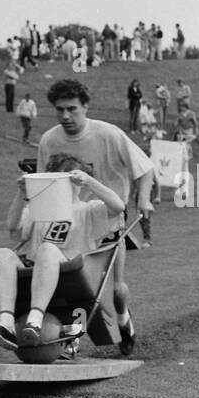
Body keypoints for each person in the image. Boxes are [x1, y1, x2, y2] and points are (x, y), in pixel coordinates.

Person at [36, 78, 154, 355]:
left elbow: (145, 168)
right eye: (60, 109)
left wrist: (144, 199)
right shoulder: (49, 140)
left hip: (109, 220)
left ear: (85, 107)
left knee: (115, 290)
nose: (65, 116)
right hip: (71, 223)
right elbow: (44, 183)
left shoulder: (109, 134)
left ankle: (124, 319)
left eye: (72, 109)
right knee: (71, 284)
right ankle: (69, 339)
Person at [0, 156, 127, 349]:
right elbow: (12, 227)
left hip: (73, 276)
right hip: (36, 272)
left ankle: (35, 319)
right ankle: (6, 323)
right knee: (3, 254)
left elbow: (118, 206)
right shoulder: (38, 209)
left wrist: (89, 181)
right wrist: (22, 193)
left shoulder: (89, 210)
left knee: (48, 249)